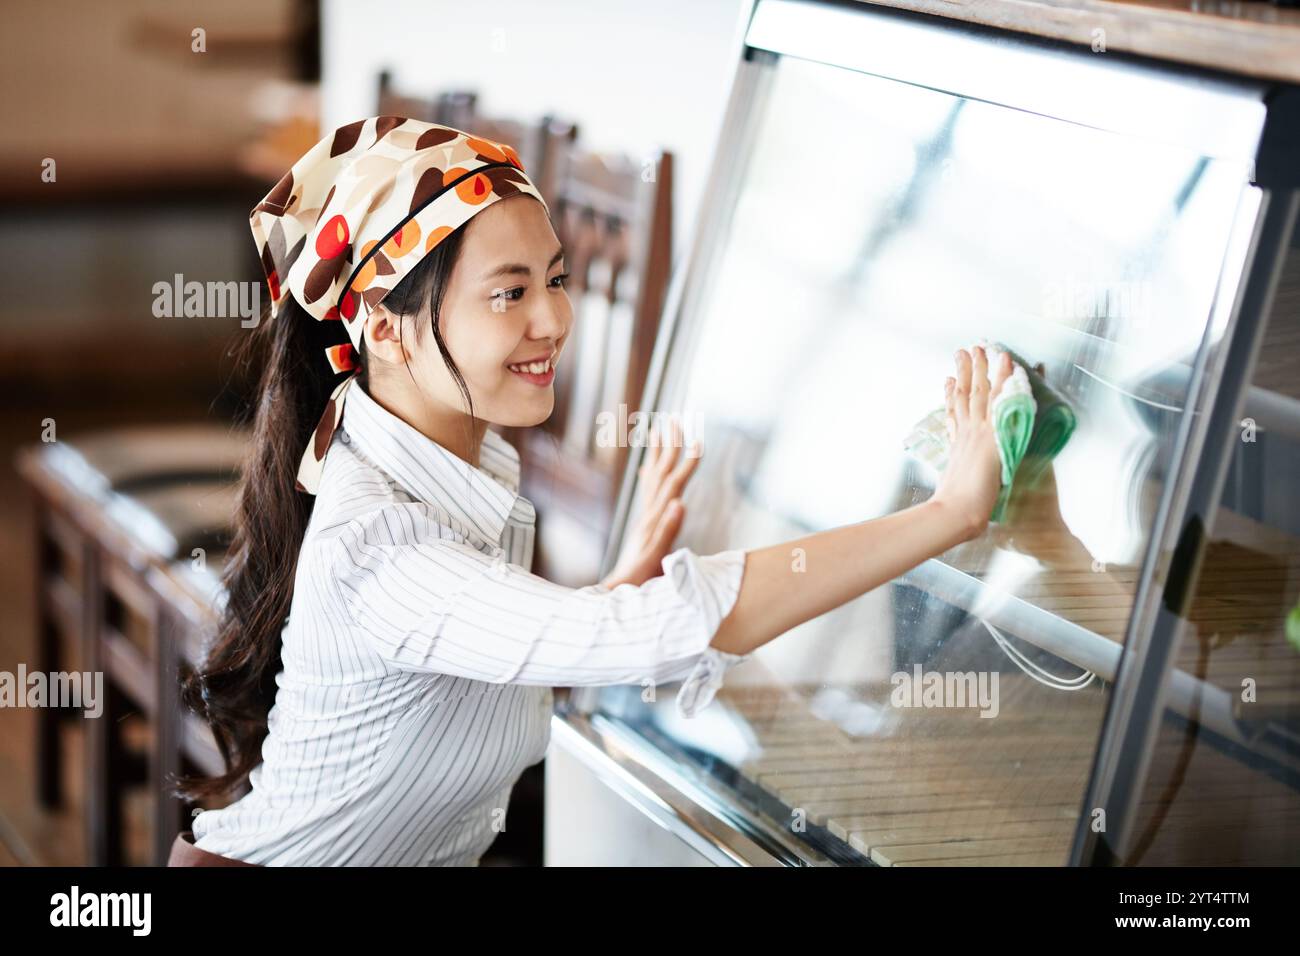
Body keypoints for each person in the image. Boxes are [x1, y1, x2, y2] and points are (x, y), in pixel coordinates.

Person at [169, 116, 1011, 866]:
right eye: (511, 292)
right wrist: (948, 514)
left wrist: (613, 592)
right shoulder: (382, 544)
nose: (554, 320)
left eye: (557, 278)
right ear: (385, 328)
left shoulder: (465, 466)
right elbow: (662, 629)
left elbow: (487, 667)